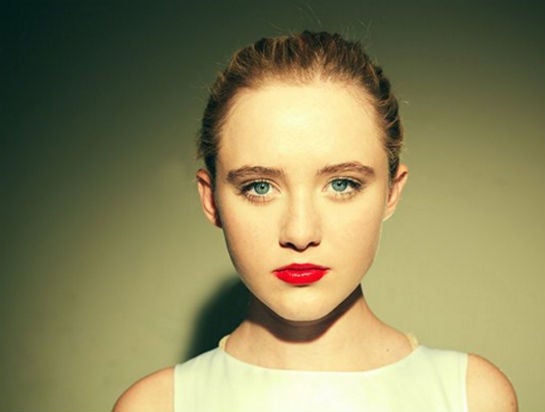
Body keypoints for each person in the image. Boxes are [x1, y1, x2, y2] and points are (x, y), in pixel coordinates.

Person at [114, 31, 517, 412]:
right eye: (259, 187)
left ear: (392, 192)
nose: (300, 233)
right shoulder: (154, 405)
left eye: (342, 184)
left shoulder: (472, 397)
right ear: (211, 199)